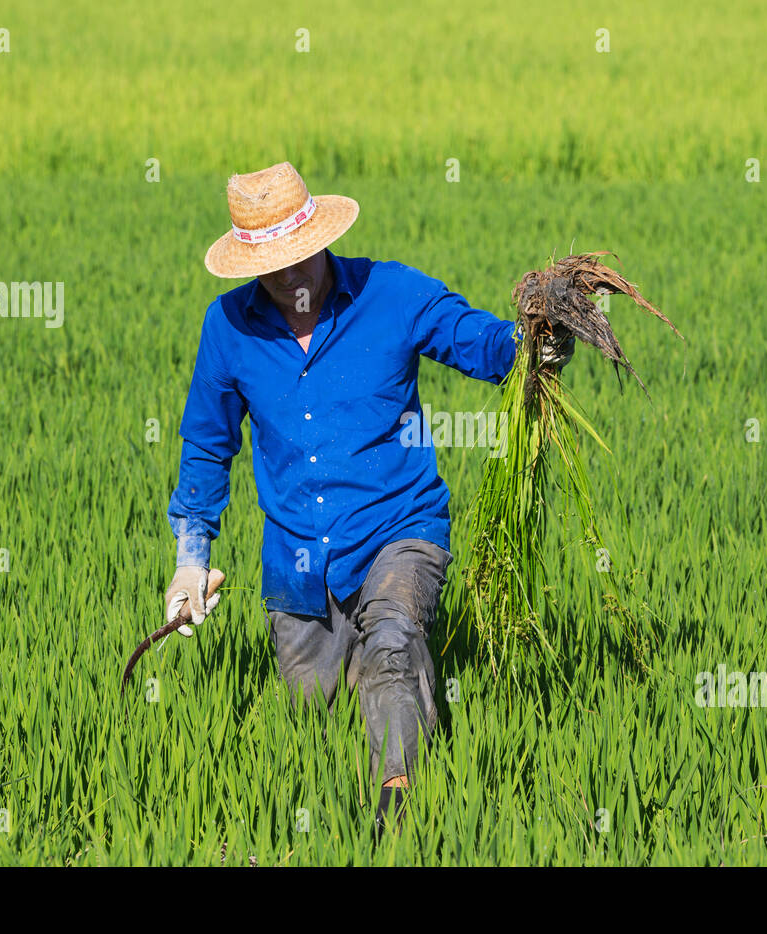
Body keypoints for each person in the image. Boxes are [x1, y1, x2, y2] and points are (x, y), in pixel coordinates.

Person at [165, 161, 572, 836]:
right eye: (271, 265)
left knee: (392, 640)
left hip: (400, 528)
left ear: (321, 239)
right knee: (313, 718)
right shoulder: (228, 328)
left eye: (299, 258)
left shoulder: (391, 294)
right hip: (297, 560)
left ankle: (398, 805)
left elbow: (486, 346)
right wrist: (190, 555)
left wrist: (541, 343)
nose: (290, 276)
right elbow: (207, 446)